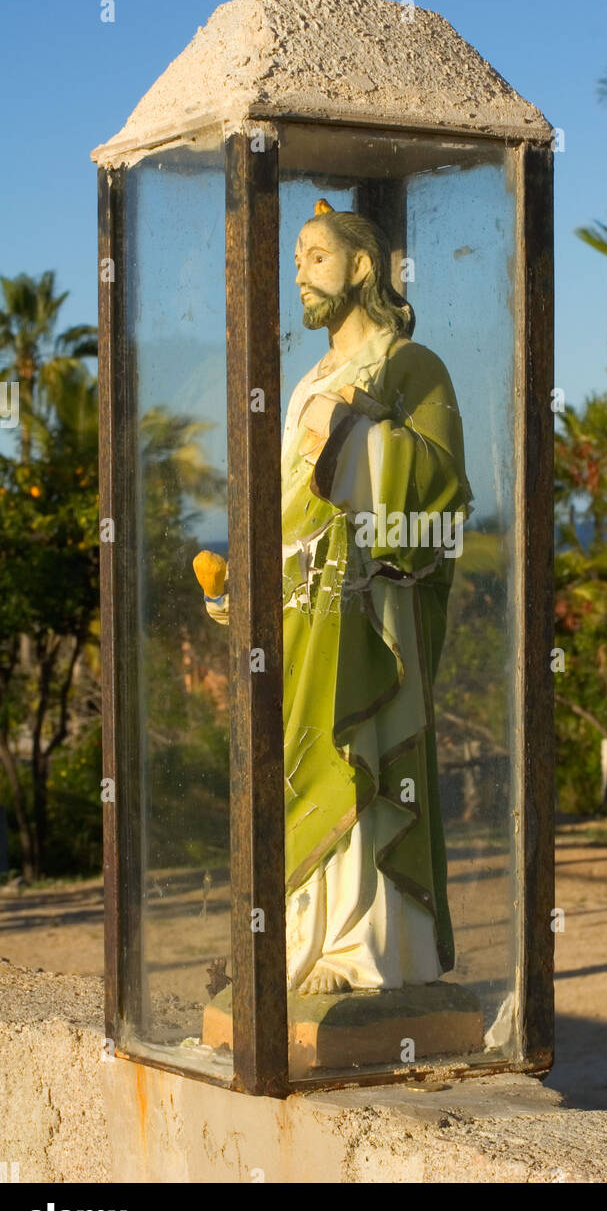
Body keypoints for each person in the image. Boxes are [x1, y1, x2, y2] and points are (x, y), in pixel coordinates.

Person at [194, 200, 471, 996]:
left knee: (365, 752)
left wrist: (354, 439)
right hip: (305, 605)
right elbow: (290, 503)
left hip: (372, 606)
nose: (300, 272)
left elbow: (444, 489)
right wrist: (244, 583)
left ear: (360, 268)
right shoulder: (309, 381)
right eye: (296, 259)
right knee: (299, 762)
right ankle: (298, 943)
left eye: (316, 256)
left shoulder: (409, 365)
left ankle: (363, 950)